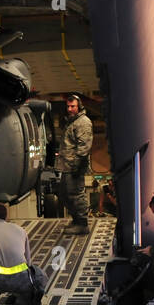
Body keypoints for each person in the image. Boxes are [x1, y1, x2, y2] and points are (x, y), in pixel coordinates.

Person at [57, 92, 93, 234]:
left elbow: (84, 146)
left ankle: (82, 224)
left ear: (79, 106)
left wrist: (76, 166)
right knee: (65, 194)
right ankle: (76, 220)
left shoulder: (83, 122)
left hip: (75, 166)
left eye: (73, 106)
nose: (70, 109)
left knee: (76, 195)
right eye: (68, 106)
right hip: (67, 165)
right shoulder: (72, 122)